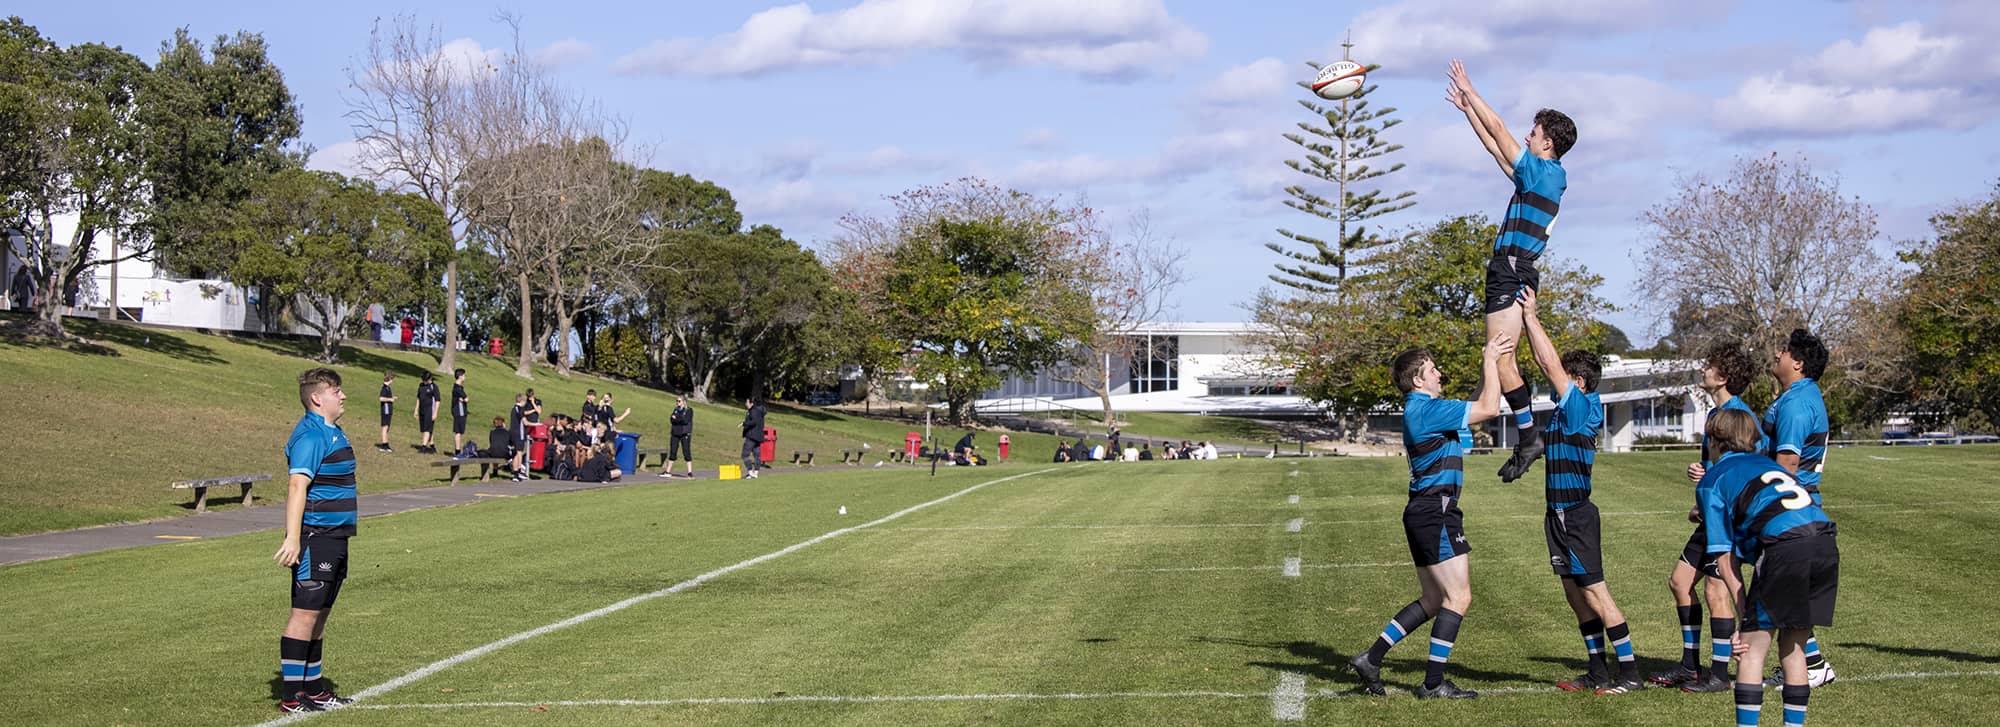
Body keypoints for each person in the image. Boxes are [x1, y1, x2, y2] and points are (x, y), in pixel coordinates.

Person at [1348, 333, 1515, 700]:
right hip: (1436, 510)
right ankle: (1433, 682)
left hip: (1425, 510)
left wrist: (1490, 365)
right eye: (1433, 369)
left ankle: (1371, 659)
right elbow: (1488, 409)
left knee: (1432, 599)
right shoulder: (1426, 409)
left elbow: (1474, 403)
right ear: (1419, 380)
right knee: (1458, 597)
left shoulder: (1423, 409)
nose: (1440, 374)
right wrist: (1490, 360)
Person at [1444, 58, 1577, 483]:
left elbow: (1500, 129)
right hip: (1512, 271)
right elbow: (1494, 145)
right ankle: (1527, 435)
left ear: (1548, 143)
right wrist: (1468, 112)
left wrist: (1472, 88)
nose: (1526, 135)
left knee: (1499, 358)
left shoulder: (1545, 173)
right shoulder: (1538, 175)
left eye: (1534, 132)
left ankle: (1528, 435)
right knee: (1503, 360)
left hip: (1511, 270)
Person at [1517, 290, 1641, 694]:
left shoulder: (1581, 406)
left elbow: (1549, 362)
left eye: (1563, 378)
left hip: (1576, 514)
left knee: (1595, 592)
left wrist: (1531, 317)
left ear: (1579, 381)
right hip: (1557, 515)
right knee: (1575, 595)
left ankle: (1630, 674)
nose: (1554, 382)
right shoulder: (1565, 409)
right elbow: (1543, 362)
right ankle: (1597, 671)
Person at [1698, 408, 1838, 727]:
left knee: (1749, 650)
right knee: (1794, 647)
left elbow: (1723, 556)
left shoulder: (1713, 479)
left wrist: (1743, 614)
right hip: (1825, 541)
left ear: (1714, 439)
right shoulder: (1771, 466)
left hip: (1787, 546)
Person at [1653, 342, 1767, 692]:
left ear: (1724, 377)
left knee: (1718, 588)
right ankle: (1690, 665)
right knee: (1679, 582)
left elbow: (1749, 472)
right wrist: (1702, 475)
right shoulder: (1714, 416)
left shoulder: (1742, 418)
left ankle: (1718, 674)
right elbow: (1717, 470)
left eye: (1710, 366)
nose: (1703, 369)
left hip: (1729, 520)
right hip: (1711, 515)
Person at [274, 368, 360, 713]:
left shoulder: (332, 431)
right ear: (316, 398)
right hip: (315, 536)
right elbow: (297, 486)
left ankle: (315, 689)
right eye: (335, 391)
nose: (342, 396)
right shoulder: (310, 435)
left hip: (337, 537)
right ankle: (291, 696)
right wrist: (294, 538)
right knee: (304, 614)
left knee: (320, 614)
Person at [1761, 328, 1836, 687]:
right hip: (1799, 506)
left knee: (1779, 590)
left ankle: (1813, 666)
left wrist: (1759, 504)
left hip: (1791, 509)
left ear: (1798, 362)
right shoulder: (1796, 396)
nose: (1778, 354)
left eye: (1784, 350)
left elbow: (1786, 465)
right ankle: (1814, 664)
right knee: (1783, 591)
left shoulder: (1796, 403)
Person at [660, 395, 695, 478]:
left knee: (686, 452)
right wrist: (677, 419)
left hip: (684, 433)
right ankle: (667, 471)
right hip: (675, 433)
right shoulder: (676, 409)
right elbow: (672, 420)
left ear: (684, 402)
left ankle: (690, 472)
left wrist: (677, 419)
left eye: (679, 401)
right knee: (673, 451)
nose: (677, 403)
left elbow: (685, 420)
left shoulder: (689, 410)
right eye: (677, 401)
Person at [414, 372, 440, 454]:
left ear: (429, 379)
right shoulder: (421, 386)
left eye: (425, 380)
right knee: (427, 429)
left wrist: (435, 412)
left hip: (430, 410)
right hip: (422, 409)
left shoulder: (434, 387)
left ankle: (423, 447)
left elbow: (437, 400)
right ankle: (432, 446)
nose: (424, 382)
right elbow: (418, 398)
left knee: (427, 429)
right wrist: (416, 409)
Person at [740, 398, 766, 479]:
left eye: (747, 402)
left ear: (751, 403)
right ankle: (756, 473)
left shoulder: (753, 411)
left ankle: (750, 472)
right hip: (758, 437)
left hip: (752, 437)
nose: (745, 404)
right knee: (757, 456)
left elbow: (753, 422)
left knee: (745, 455)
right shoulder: (759, 412)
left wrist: (744, 423)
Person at [507, 393, 529, 481]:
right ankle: (518, 472)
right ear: (522, 401)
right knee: (519, 452)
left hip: (512, 432)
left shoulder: (513, 409)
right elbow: (525, 422)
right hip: (519, 433)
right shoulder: (520, 409)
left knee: (516, 453)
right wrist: (536, 424)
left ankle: (515, 473)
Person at [450, 369, 470, 453]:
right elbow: (467, 399)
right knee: (458, 431)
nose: (465, 377)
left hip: (460, 411)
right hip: (459, 411)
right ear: (460, 376)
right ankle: (457, 451)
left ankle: (458, 450)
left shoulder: (459, 387)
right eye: (464, 375)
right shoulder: (458, 388)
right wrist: (465, 399)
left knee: (459, 432)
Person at [375, 372, 396, 452]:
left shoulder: (388, 388)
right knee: (385, 427)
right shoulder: (384, 388)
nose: (392, 381)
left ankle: (386, 443)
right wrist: (390, 399)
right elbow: (381, 398)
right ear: (389, 379)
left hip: (388, 410)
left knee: (387, 427)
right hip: (385, 410)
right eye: (392, 379)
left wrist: (392, 398)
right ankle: (384, 445)